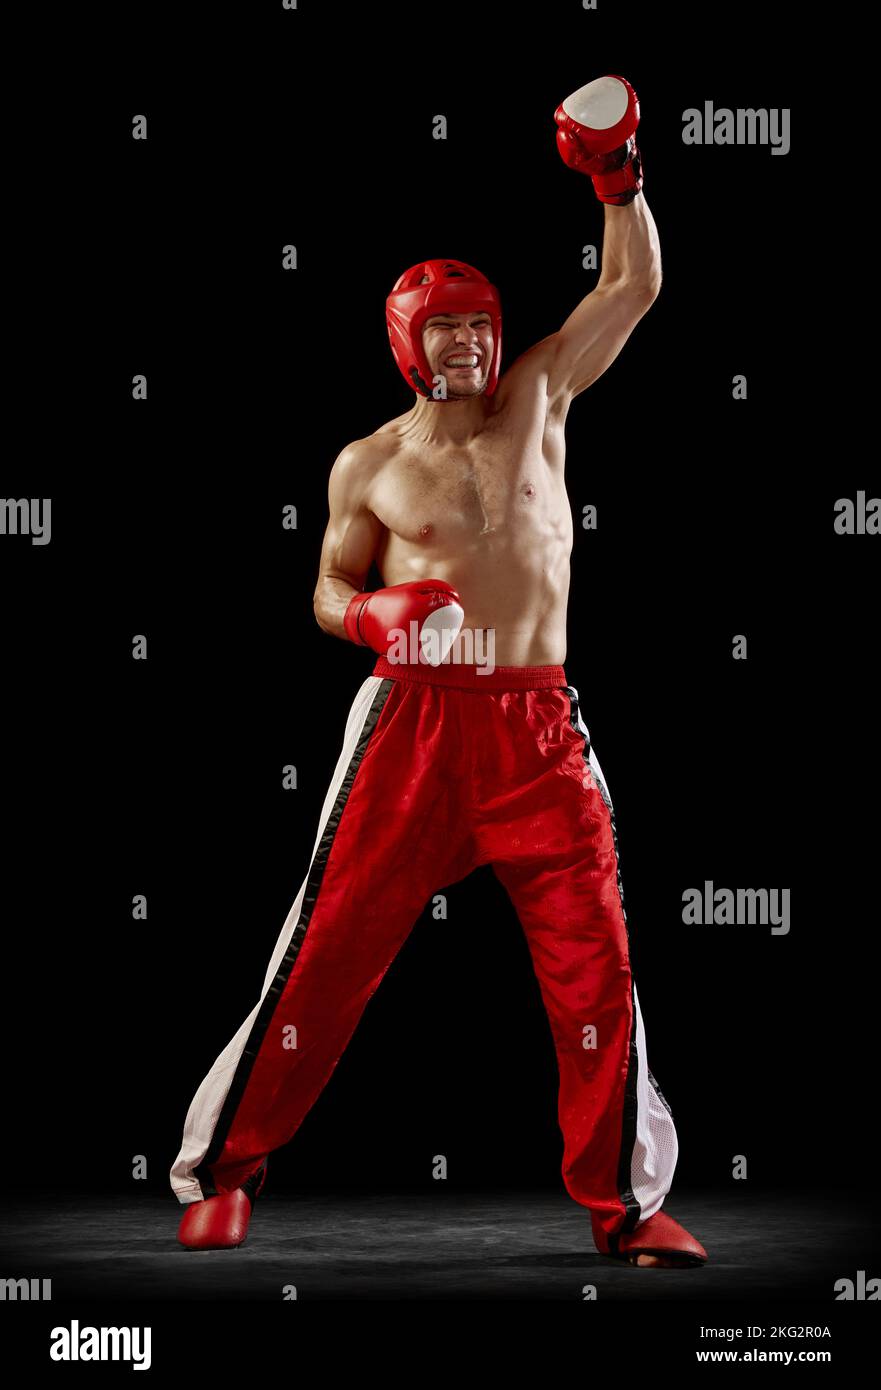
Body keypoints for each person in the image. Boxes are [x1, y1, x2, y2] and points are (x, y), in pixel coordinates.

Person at [172, 75, 708, 1269]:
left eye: (478, 323)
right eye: (441, 328)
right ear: (404, 345)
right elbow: (319, 593)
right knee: (323, 952)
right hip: (410, 726)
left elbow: (635, 284)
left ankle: (625, 1206)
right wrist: (373, 613)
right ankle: (222, 1172)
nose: (465, 342)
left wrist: (615, 177)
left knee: (597, 963)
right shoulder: (366, 465)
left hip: (536, 733)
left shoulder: (540, 399)